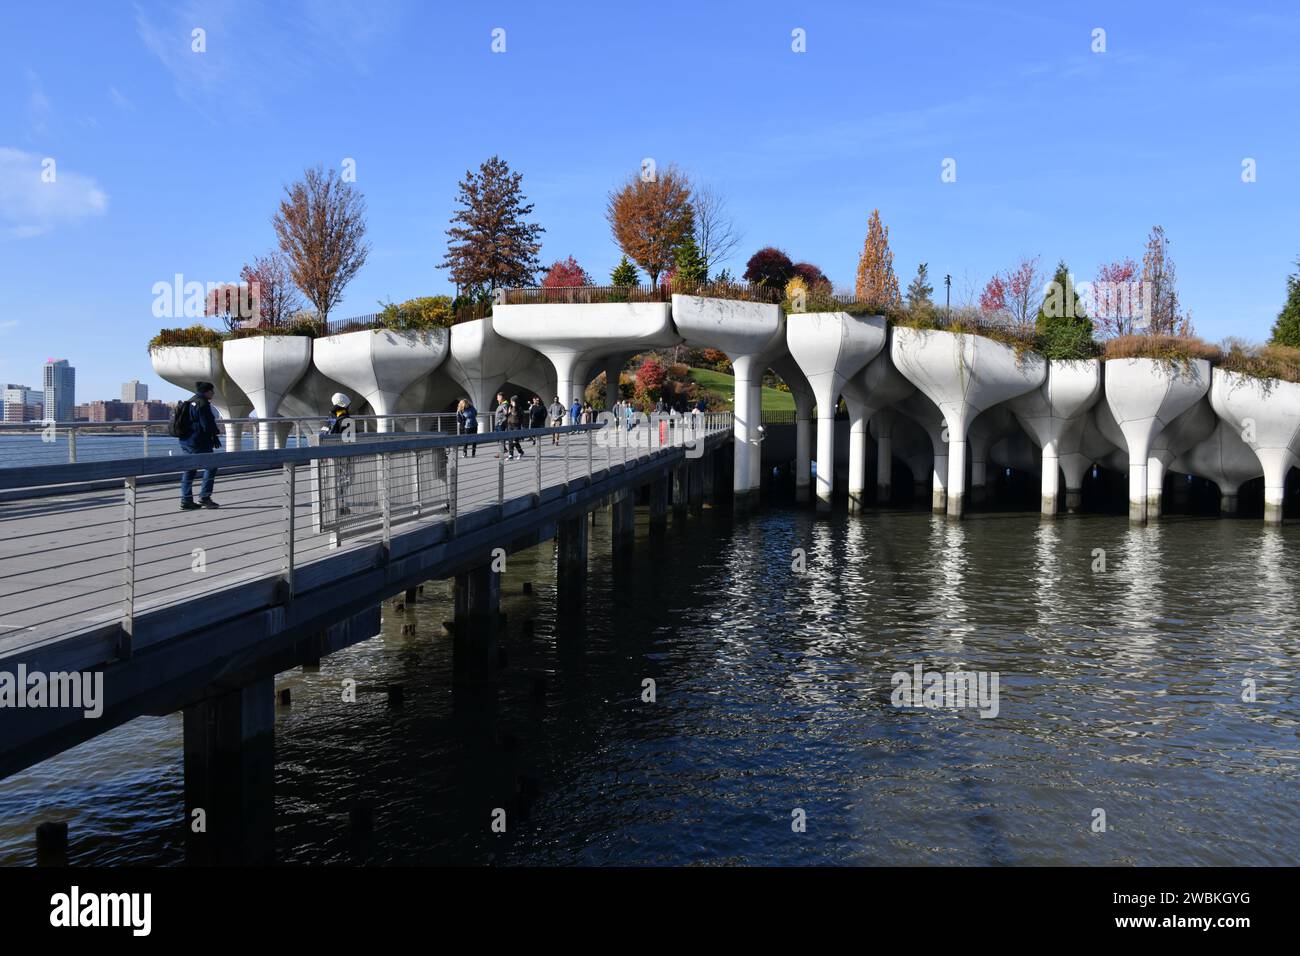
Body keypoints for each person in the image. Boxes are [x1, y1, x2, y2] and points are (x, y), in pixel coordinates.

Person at [179, 381, 222, 511]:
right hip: (199, 442)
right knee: (211, 467)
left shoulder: (190, 401)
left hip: (186, 441)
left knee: (190, 469)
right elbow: (206, 425)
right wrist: (215, 433)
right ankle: (204, 497)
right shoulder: (202, 404)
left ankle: (186, 500)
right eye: (212, 391)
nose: (213, 393)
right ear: (206, 391)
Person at [506, 395, 526, 459]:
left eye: (512, 401)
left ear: (515, 401)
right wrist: (507, 413)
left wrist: (514, 407)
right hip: (510, 425)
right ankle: (510, 455)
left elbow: (515, 414)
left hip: (516, 426)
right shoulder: (510, 407)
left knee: (515, 441)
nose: (510, 402)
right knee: (510, 440)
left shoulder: (519, 408)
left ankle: (520, 452)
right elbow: (508, 416)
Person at [494, 392, 510, 457]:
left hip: (500, 424)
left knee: (500, 438)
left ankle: (501, 452)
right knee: (498, 438)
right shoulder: (501, 404)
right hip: (497, 423)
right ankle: (504, 449)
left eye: (498, 397)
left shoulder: (505, 405)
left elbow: (506, 414)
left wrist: (501, 421)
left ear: (501, 397)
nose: (497, 399)